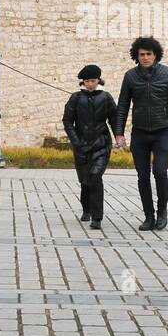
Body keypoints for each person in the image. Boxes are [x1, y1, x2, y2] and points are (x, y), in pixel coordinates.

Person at [114, 36, 168, 232]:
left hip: (162, 131)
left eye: (148, 54)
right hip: (139, 132)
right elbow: (122, 106)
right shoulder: (130, 76)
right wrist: (119, 133)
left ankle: (162, 212)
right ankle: (149, 216)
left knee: (160, 172)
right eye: (141, 54)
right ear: (136, 56)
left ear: (156, 55)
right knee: (142, 175)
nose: (145, 57)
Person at [63, 64, 116, 230]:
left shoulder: (106, 97)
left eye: (93, 81)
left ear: (98, 80)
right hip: (82, 146)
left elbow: (114, 119)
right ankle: (86, 209)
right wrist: (76, 141)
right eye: (87, 81)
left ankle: (97, 217)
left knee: (95, 177)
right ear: (83, 82)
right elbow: (67, 121)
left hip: (101, 145)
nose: (90, 84)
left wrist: (119, 137)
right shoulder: (75, 98)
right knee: (85, 181)